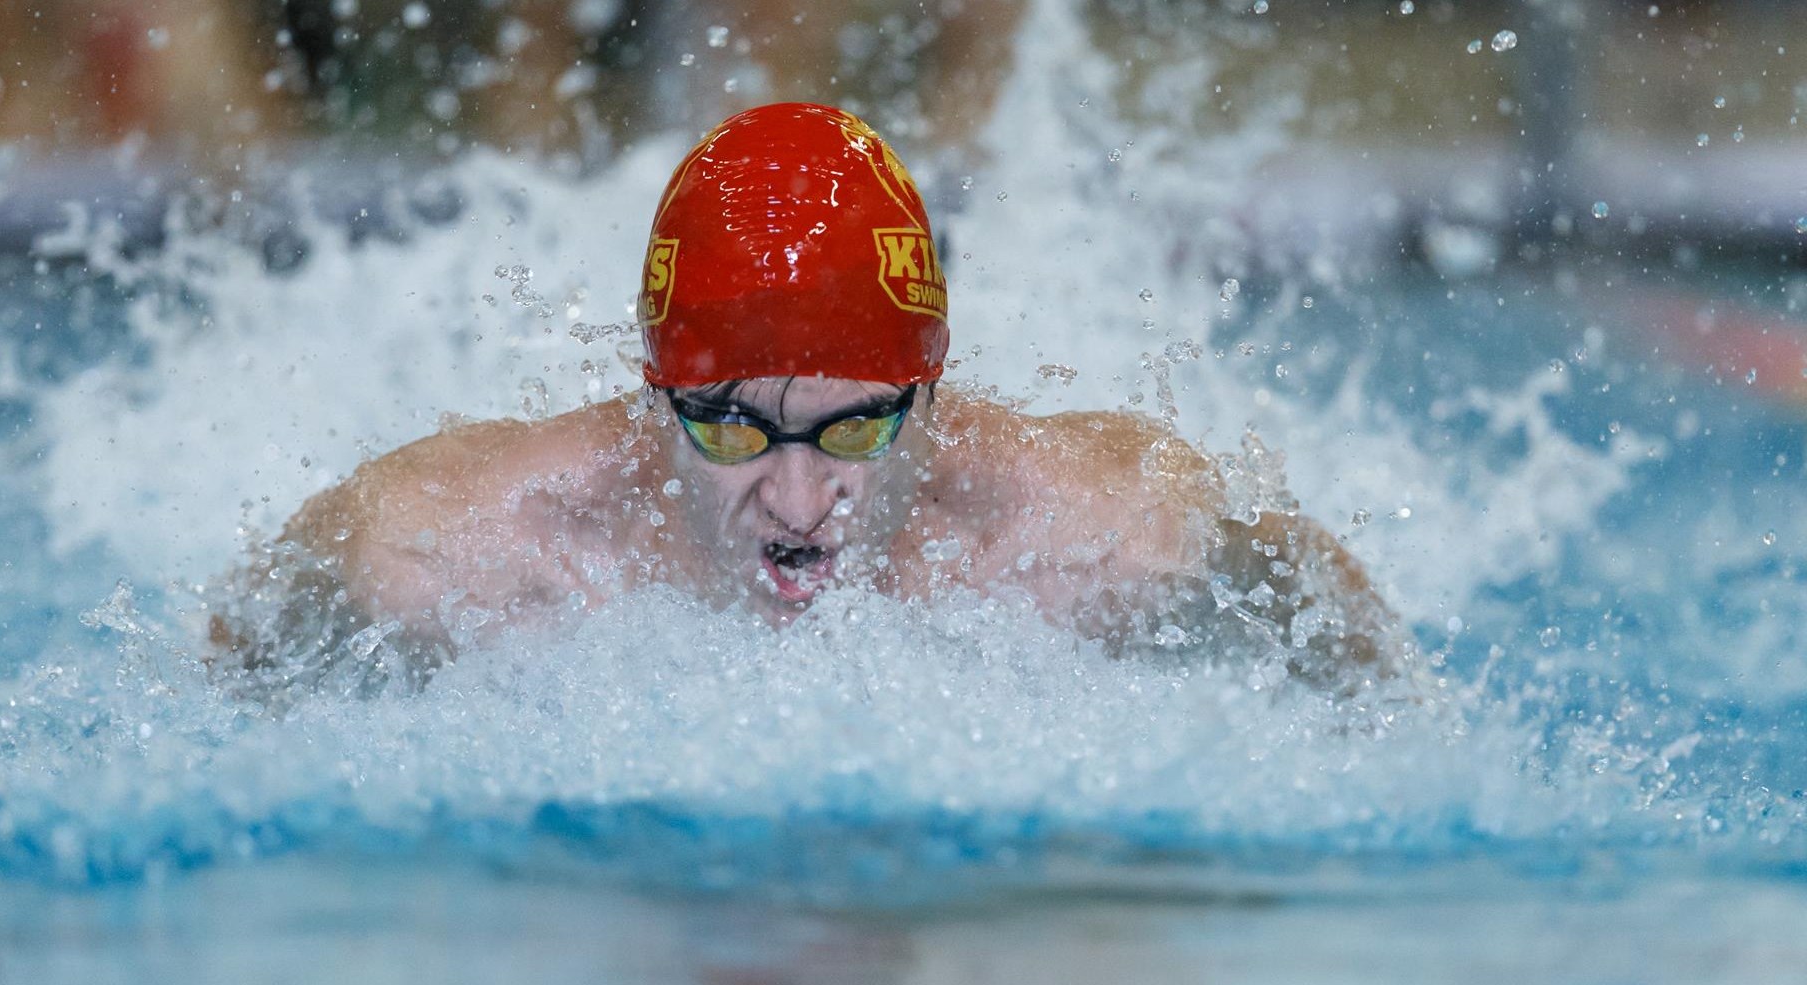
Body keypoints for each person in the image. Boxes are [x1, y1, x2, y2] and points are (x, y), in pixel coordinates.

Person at [210, 102, 1397, 698]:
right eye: (726, 425)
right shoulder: (441, 547)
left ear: (928, 394)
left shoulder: (1106, 538)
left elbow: (1356, 654)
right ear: (652, 394)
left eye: (855, 428)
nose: (793, 497)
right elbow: (221, 668)